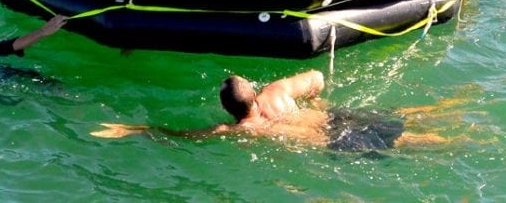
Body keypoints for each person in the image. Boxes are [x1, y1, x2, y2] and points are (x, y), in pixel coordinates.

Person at [91, 70, 450, 152]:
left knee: (411, 143)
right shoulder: (277, 92)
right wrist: (315, 101)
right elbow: (317, 77)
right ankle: (452, 111)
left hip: (332, 141)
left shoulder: (239, 129)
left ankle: (461, 142)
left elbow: (185, 136)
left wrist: (136, 129)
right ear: (253, 91)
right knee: (406, 117)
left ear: (228, 109)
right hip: (334, 118)